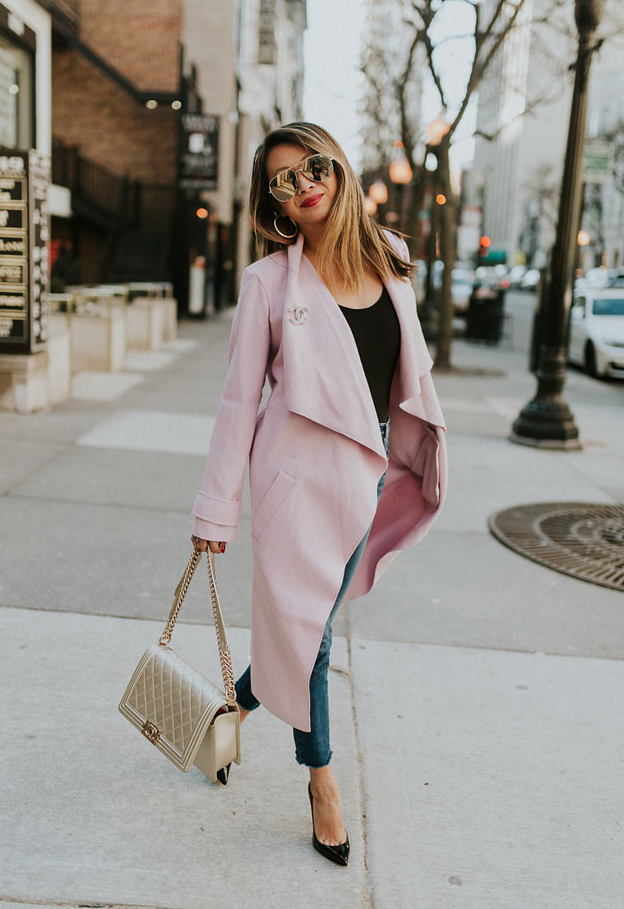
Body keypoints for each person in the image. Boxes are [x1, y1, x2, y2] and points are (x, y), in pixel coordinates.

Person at [191, 121, 446, 867]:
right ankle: (322, 781)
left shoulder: (390, 258)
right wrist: (216, 509)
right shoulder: (270, 281)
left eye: (312, 166)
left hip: (365, 478)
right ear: (274, 201)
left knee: (304, 628)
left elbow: (404, 373)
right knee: (315, 636)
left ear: (335, 166)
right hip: (293, 483)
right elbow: (239, 402)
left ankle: (228, 709)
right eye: (283, 179)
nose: (304, 184)